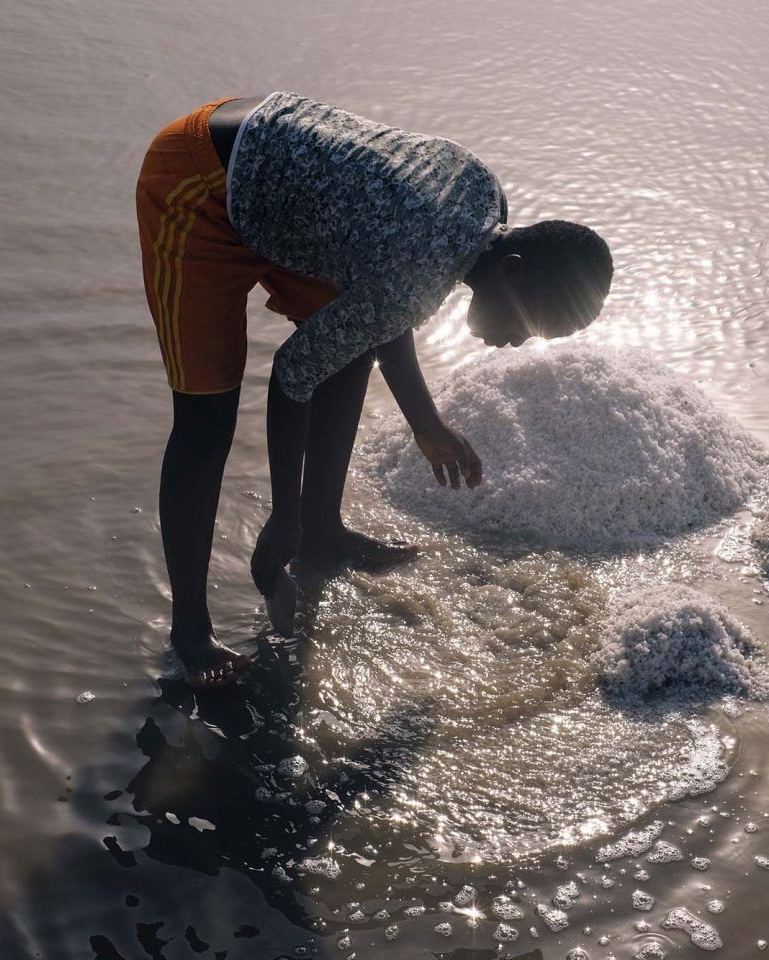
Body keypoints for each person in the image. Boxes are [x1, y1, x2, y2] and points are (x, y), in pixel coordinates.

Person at [136, 93, 614, 687]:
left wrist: (426, 425)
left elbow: (386, 310)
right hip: (202, 179)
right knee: (206, 423)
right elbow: (293, 372)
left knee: (350, 347)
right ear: (512, 266)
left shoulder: (486, 198)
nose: (520, 341)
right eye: (531, 323)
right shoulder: (413, 275)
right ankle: (190, 636)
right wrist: (281, 513)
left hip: (295, 193)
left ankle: (322, 534)